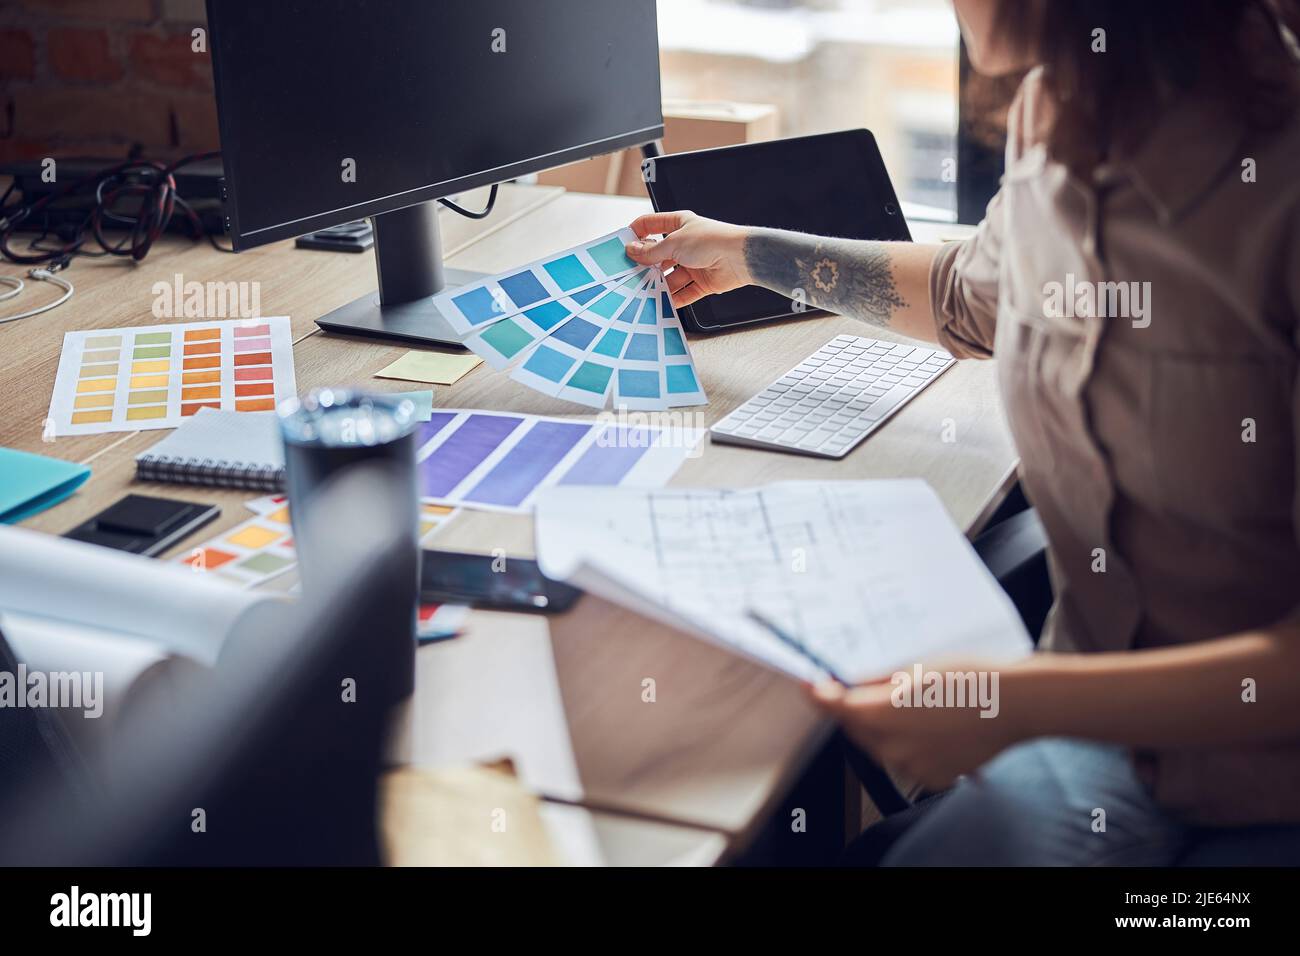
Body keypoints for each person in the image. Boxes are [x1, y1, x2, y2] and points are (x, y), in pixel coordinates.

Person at [625, 0, 1300, 865]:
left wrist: (1013, 707)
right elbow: (973, 298)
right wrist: (749, 252)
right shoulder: (1057, 108)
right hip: (1093, 751)